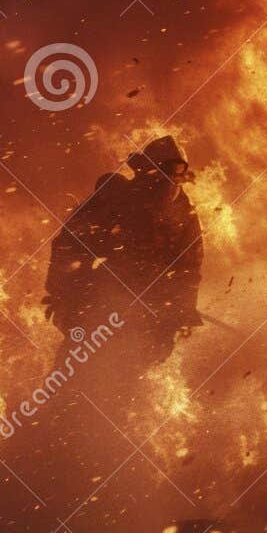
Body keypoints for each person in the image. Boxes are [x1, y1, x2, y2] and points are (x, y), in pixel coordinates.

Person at [44, 135, 203, 370]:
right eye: (158, 176)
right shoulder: (115, 199)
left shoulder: (184, 218)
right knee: (73, 378)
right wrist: (65, 295)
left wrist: (179, 314)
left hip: (146, 318)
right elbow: (69, 245)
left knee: (129, 385)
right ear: (143, 172)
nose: (164, 185)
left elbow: (189, 271)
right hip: (96, 304)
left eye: (171, 177)